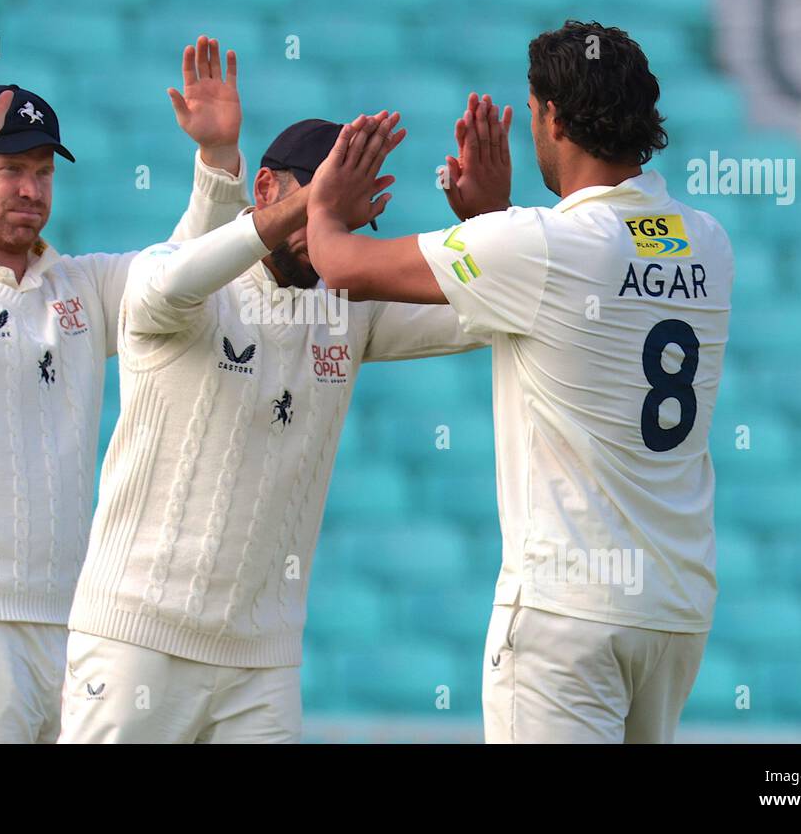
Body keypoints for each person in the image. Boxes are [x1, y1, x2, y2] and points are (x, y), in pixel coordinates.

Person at [306, 21, 734, 743]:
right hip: (672, 608)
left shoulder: (539, 243)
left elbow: (341, 265)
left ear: (554, 118)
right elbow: (578, 299)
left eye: (533, 110)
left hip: (569, 611)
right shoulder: (708, 241)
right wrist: (492, 224)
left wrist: (323, 201)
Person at [0, 35, 249, 743]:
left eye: (42, 172)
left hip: (70, 620)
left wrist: (216, 165)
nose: (31, 189)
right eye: (9, 169)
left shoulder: (82, 288)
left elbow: (181, 277)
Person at [58, 105, 492, 743]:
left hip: (262, 660)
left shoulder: (348, 305)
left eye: (346, 212)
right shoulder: (179, 276)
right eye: (317, 197)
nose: (327, 227)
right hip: (136, 638)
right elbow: (172, 281)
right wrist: (318, 204)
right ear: (266, 189)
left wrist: (488, 221)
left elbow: (492, 308)